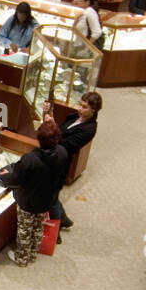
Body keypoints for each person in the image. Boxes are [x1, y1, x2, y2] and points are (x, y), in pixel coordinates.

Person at [0, 124, 66, 266]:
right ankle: (33, 253)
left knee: (24, 228)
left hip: (28, 201)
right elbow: (61, 178)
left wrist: (4, 176)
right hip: (47, 199)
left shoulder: (30, 159)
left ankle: (22, 258)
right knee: (38, 226)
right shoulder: (62, 153)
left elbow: (15, 179)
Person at [47, 91, 101, 232]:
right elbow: (60, 130)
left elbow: (66, 144)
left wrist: (52, 127)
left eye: (84, 107)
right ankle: (63, 220)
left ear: (94, 110)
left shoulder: (89, 129)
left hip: (61, 162)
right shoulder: (73, 117)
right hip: (53, 156)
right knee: (51, 195)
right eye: (80, 105)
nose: (79, 109)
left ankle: (56, 229)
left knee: (51, 198)